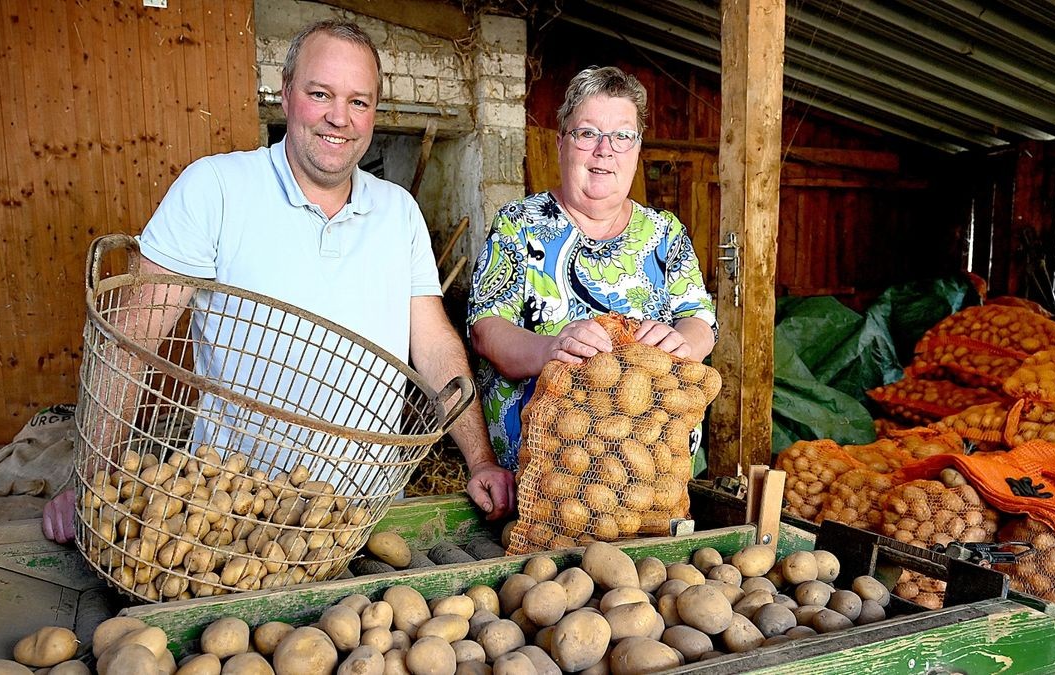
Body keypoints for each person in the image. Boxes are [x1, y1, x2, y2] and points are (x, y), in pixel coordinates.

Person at [43, 19, 514, 543]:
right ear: (286, 94)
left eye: (359, 101)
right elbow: (131, 338)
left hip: (370, 515)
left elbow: (435, 346)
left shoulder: (398, 210)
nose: (340, 117)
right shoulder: (217, 188)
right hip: (233, 510)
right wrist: (90, 477)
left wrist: (479, 461)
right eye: (320, 94)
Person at [467, 66, 718, 471]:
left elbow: (701, 321)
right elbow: (486, 329)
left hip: (649, 471)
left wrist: (681, 343)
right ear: (562, 142)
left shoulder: (664, 233)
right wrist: (550, 349)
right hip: (544, 470)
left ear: (637, 149)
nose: (605, 150)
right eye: (587, 133)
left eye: (622, 136)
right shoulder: (519, 224)